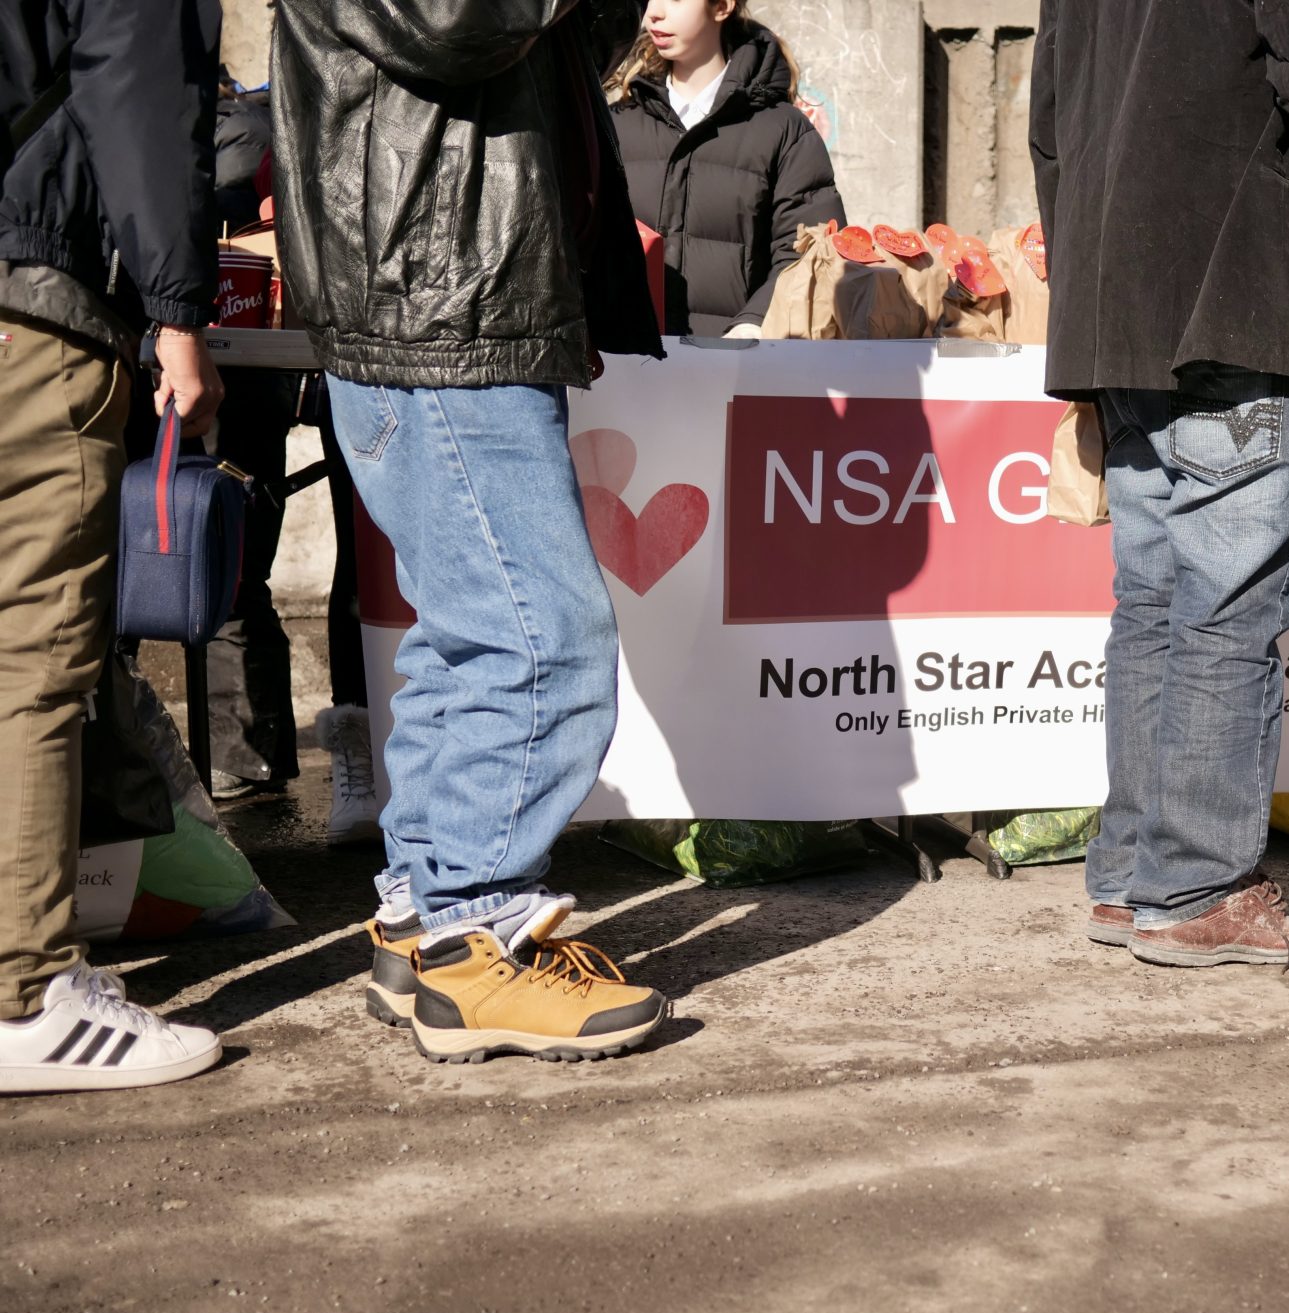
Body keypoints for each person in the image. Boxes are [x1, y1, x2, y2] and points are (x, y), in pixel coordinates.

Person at [270, 0, 672, 1063]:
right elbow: (454, 24)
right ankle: (473, 937)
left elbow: (565, 43)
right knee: (540, 636)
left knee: (466, 639)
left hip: (456, 297)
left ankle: (421, 919)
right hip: (436, 300)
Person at [1032, 0, 1289, 966]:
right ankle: (1199, 884)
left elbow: (1050, 129)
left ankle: (1133, 878)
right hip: (1247, 287)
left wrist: (1093, 278)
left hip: (1120, 303)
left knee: (1157, 601)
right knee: (1225, 603)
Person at [0, 0, 228, 1092]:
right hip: (30, 311)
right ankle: (24, 994)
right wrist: (178, 314)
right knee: (31, 666)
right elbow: (136, 80)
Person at [610, 0, 844, 339]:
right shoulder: (615, 124)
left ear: (721, 6)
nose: (654, 12)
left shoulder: (783, 130)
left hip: (739, 368)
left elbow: (811, 252)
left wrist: (753, 323)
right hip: (624, 369)